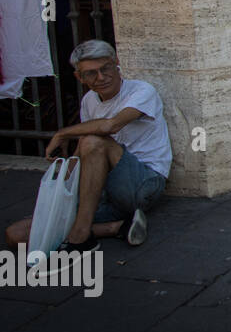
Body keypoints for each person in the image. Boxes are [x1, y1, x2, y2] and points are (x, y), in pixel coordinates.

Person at [3, 40, 171, 255]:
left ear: (116, 64)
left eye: (106, 68)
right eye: (91, 73)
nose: (101, 78)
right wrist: (61, 193)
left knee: (92, 140)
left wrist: (62, 133)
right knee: (16, 235)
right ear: (79, 78)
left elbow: (111, 126)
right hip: (101, 191)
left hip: (142, 184)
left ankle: (81, 236)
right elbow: (84, 153)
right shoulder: (89, 101)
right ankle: (115, 228)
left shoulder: (142, 91)